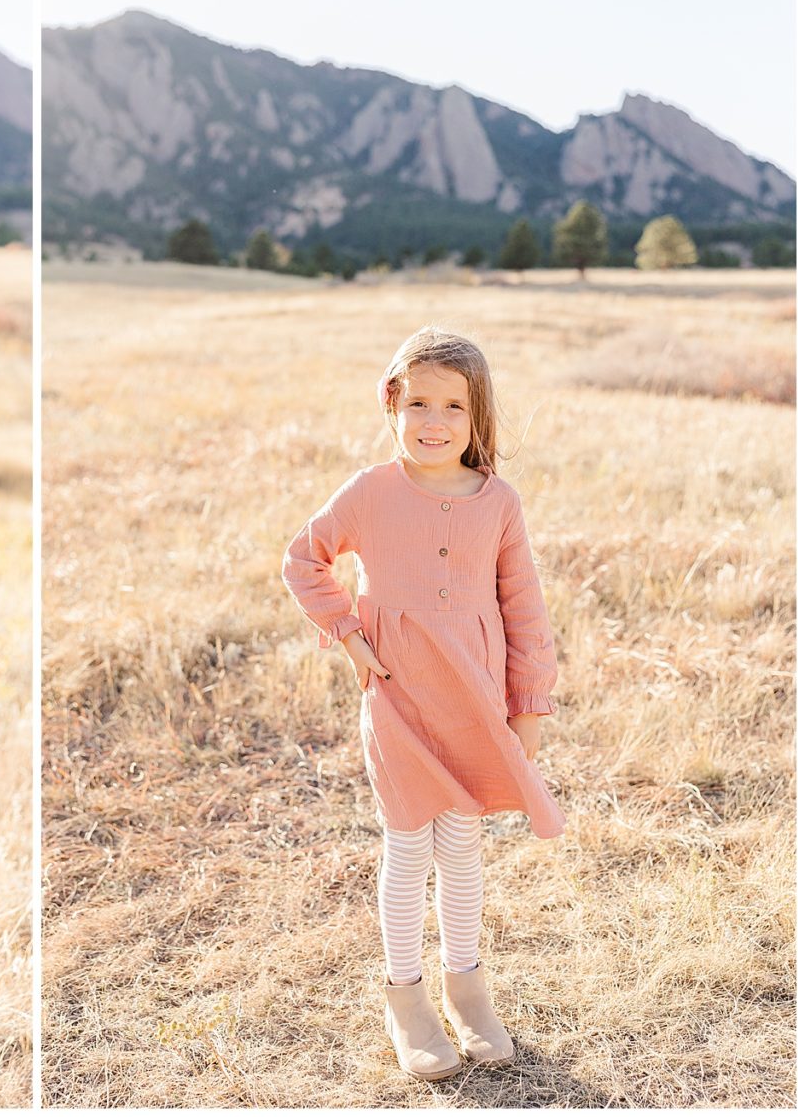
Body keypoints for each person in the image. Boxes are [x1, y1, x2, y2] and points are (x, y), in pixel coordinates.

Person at [280, 326, 561, 1082]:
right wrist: (347, 633)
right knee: (408, 847)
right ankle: (405, 1000)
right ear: (391, 405)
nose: (434, 421)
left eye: (453, 407)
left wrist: (528, 706)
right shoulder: (369, 492)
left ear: (477, 416)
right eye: (419, 404)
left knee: (461, 846)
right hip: (398, 699)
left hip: (474, 700)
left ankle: (467, 992)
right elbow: (303, 559)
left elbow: (524, 607)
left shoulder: (498, 503)